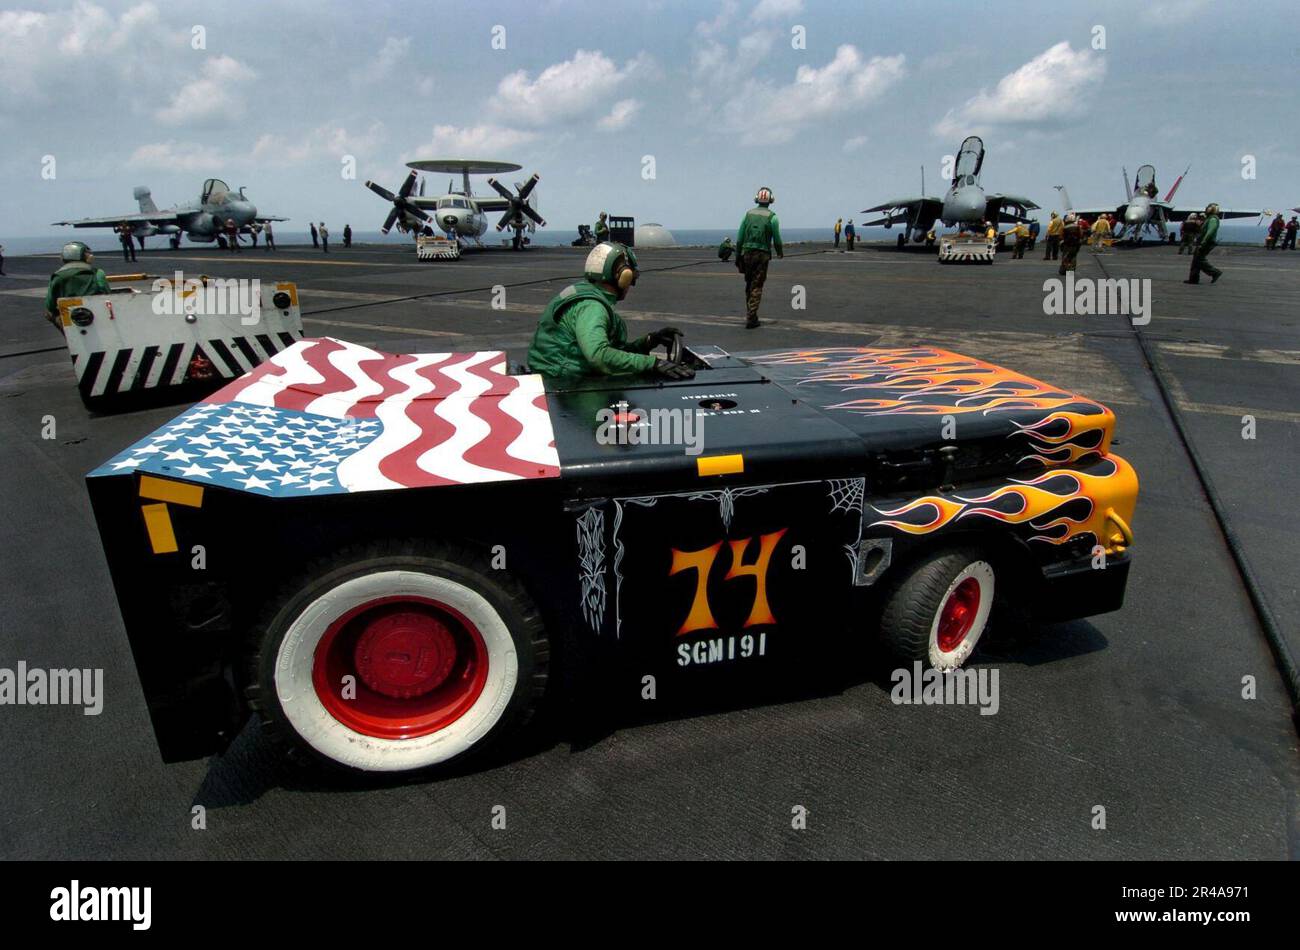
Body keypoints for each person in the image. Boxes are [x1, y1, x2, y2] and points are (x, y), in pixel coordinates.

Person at [527, 241, 692, 379]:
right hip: (563, 384)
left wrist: (649, 341)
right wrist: (653, 364)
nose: (630, 286)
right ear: (623, 277)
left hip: (557, 376)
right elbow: (599, 356)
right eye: (631, 280)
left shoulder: (585, 293)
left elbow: (614, 354)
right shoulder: (592, 307)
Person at [735, 186, 784, 329]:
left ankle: (751, 314)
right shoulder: (773, 217)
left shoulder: (747, 214)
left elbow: (739, 238)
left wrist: (738, 255)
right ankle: (751, 317)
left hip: (747, 254)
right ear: (771, 200)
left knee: (749, 284)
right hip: (762, 255)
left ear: (757, 199)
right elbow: (777, 239)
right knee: (757, 285)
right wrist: (779, 252)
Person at [44, 241, 110, 330]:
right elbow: (107, 294)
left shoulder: (57, 276)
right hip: (97, 314)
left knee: (49, 313)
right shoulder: (98, 273)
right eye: (88, 253)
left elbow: (50, 305)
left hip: (72, 316)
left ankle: (68, 336)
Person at [1185, 203, 1223, 285]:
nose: (1206, 209)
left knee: (1199, 260)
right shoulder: (1209, 218)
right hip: (1203, 242)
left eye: (1208, 208)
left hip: (1206, 242)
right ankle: (1193, 279)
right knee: (1196, 260)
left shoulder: (1213, 219)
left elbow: (1210, 232)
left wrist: (1203, 242)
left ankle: (1215, 272)